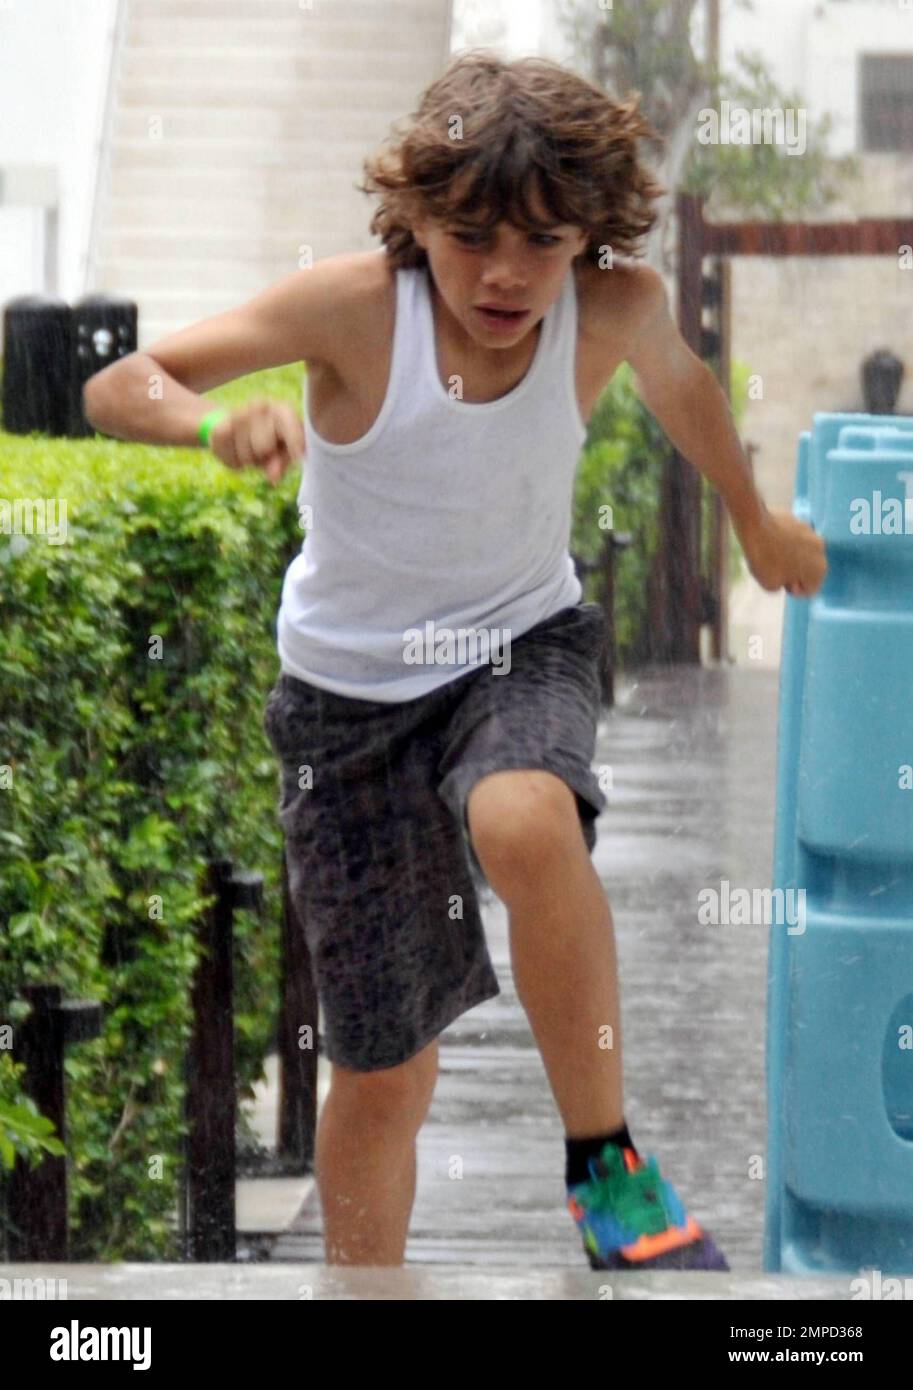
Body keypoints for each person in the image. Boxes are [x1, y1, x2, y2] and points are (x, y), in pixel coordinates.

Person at [84, 50, 827, 1271]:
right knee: (383, 1076)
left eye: (542, 240)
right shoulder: (354, 306)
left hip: (517, 645)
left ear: (586, 231)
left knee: (526, 816)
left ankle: (608, 1170)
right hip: (345, 710)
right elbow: (123, 382)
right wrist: (215, 422)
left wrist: (754, 518)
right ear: (416, 215)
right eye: (471, 234)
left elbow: (685, 390)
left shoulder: (611, 303)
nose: (505, 274)